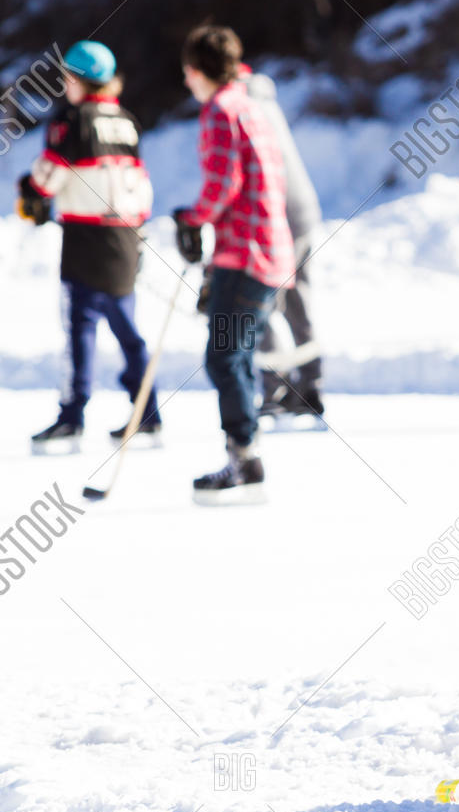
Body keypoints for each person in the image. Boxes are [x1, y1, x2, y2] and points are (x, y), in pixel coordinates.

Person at [174, 25, 295, 503]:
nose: (186, 81)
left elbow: (224, 182)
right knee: (237, 354)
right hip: (265, 249)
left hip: (245, 255)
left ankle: (243, 457)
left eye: (187, 72)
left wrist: (191, 217)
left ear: (196, 70)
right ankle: (247, 455)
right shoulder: (251, 106)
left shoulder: (221, 110)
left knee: (225, 356)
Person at [19, 40, 156, 454]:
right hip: (125, 235)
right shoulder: (126, 120)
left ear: (77, 80)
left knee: (80, 327)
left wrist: (28, 189)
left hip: (84, 238)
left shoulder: (71, 120)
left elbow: (49, 176)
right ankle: (147, 411)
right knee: (126, 326)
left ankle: (72, 414)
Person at [243, 63, 325, 415]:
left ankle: (277, 388)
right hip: (303, 210)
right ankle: (311, 384)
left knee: (260, 302)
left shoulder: (240, 106)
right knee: (296, 299)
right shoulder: (265, 100)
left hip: (279, 216)